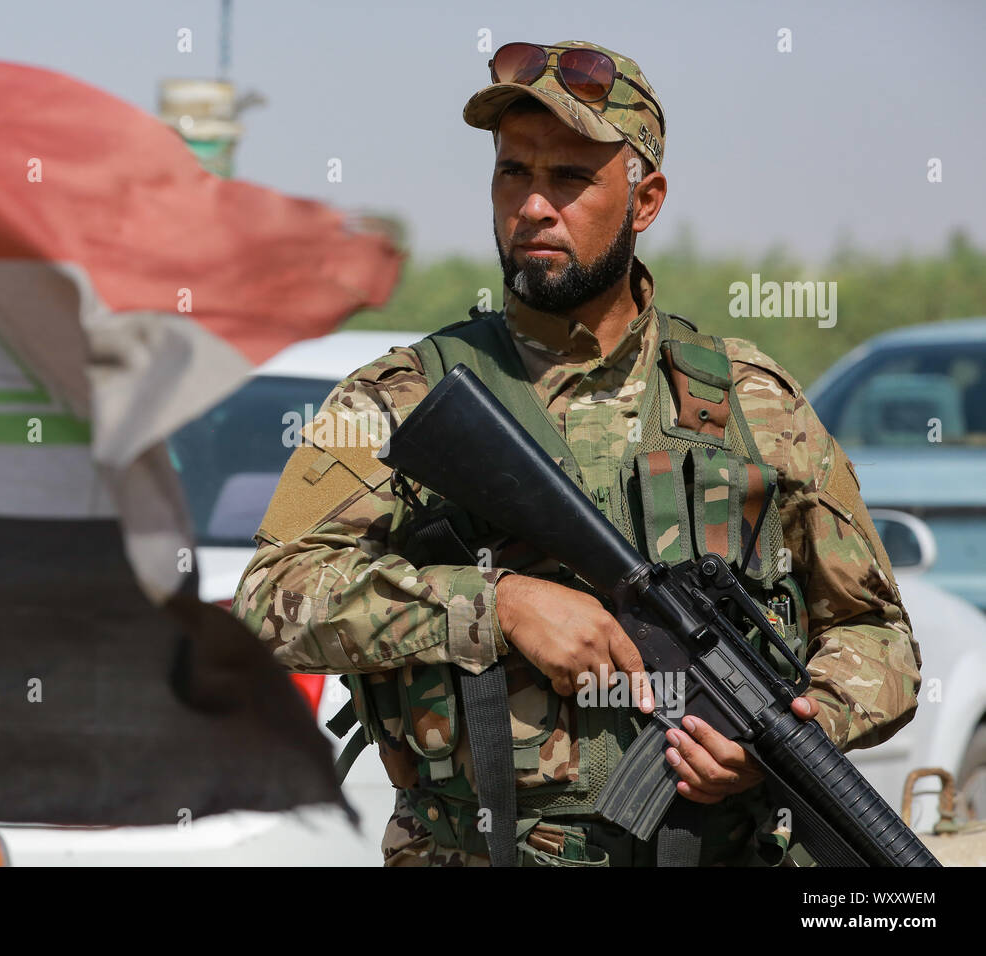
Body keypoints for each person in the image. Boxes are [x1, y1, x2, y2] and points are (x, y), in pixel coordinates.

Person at [232, 40, 921, 866]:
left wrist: (788, 732)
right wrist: (498, 605)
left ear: (645, 199)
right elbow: (268, 602)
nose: (532, 206)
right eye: (512, 173)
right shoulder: (401, 396)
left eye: (569, 179)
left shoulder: (754, 401)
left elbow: (877, 634)